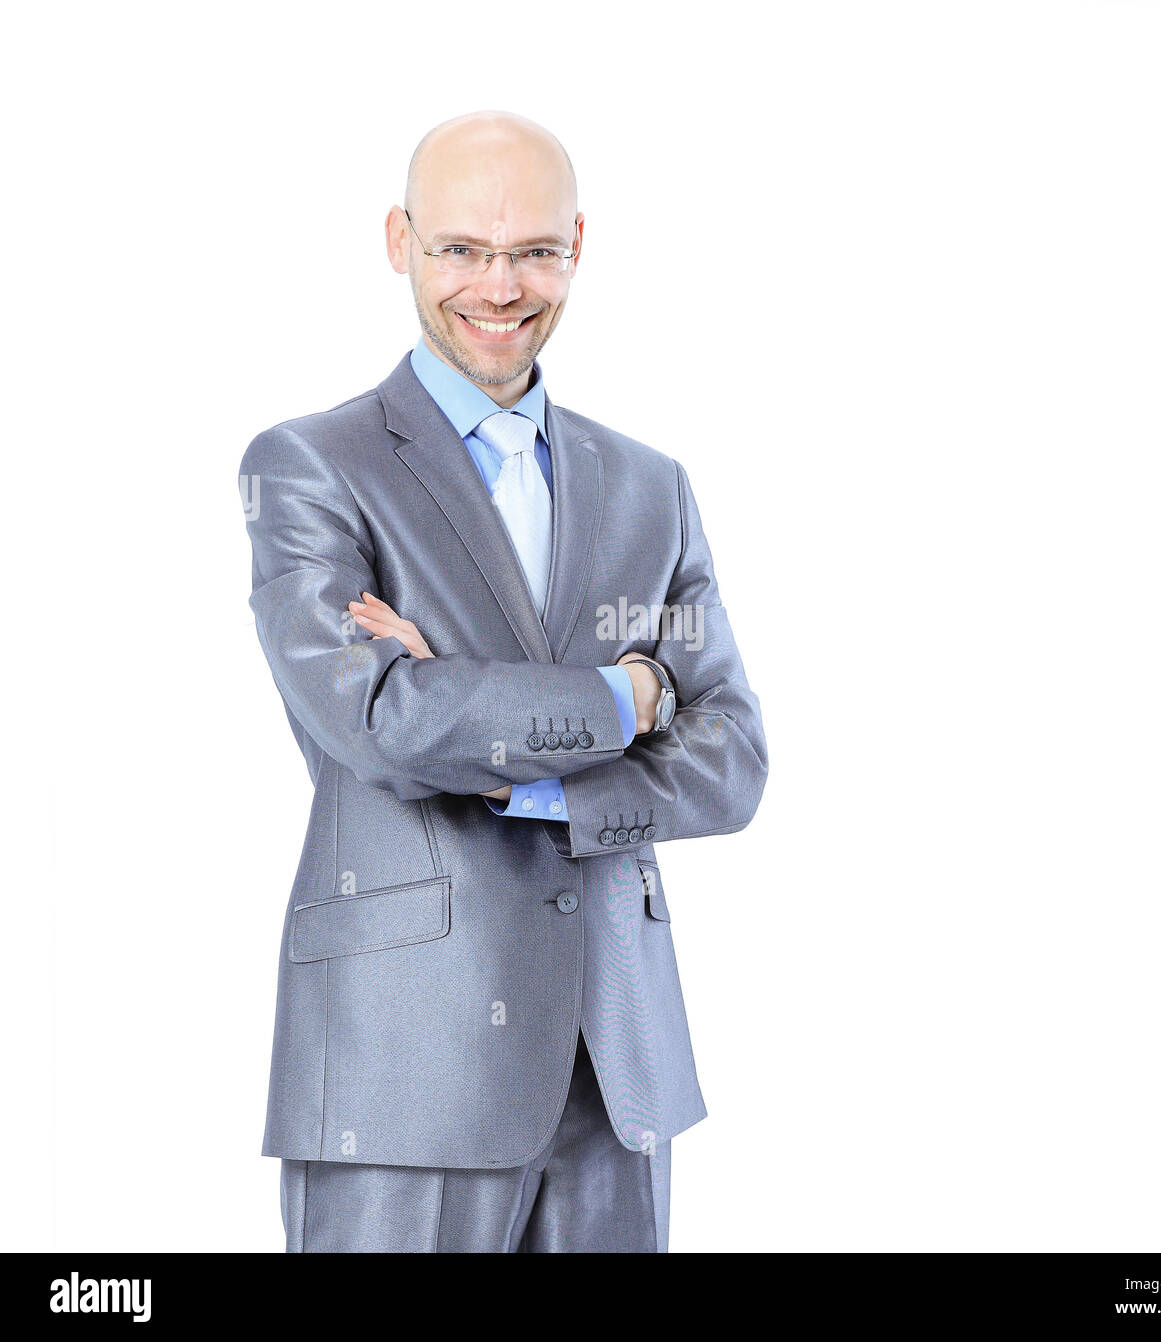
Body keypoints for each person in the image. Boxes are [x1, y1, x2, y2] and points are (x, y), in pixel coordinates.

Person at [238, 109, 768, 1252]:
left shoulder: (647, 487)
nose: (498, 285)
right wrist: (627, 698)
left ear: (578, 244)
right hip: (403, 1066)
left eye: (533, 250)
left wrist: (521, 767)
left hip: (615, 1068)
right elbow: (383, 718)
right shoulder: (311, 470)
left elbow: (731, 756)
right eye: (461, 250)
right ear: (398, 240)